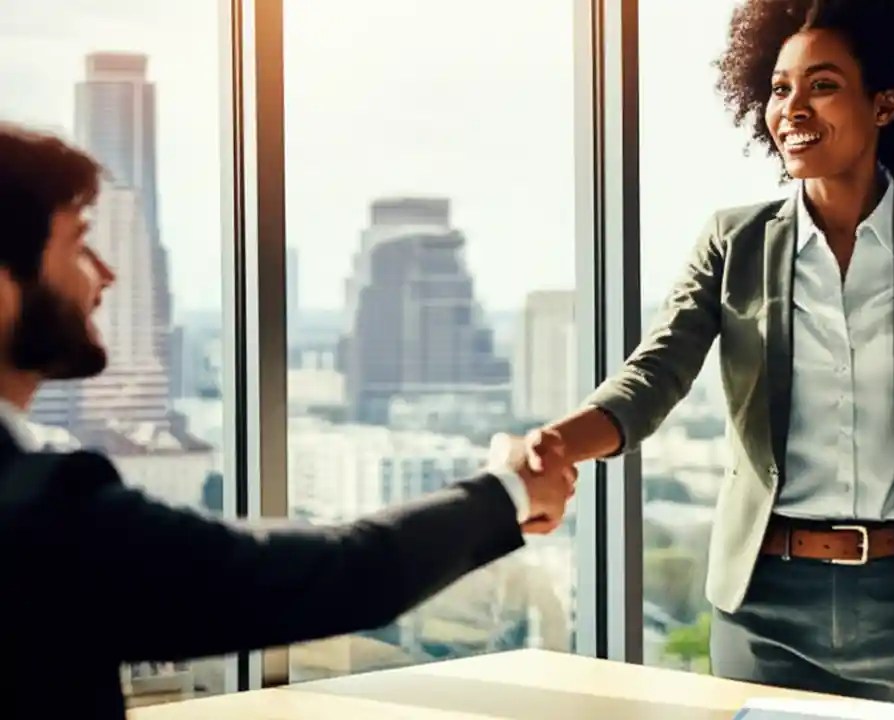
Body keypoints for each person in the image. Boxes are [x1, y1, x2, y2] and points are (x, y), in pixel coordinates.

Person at [539, 1, 894, 718]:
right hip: (761, 610)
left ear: (884, 104)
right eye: (779, 87)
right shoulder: (733, 242)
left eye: (821, 85)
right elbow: (654, 376)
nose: (791, 108)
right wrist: (554, 446)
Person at [0, 122, 576, 719]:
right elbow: (341, 576)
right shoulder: (39, 510)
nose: (105, 274)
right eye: (77, 245)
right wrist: (506, 489)